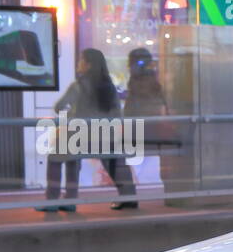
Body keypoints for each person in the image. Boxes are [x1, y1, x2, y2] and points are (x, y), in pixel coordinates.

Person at [39, 48, 120, 213]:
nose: (78, 63)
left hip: (78, 133)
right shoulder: (110, 87)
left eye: (81, 60)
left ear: (88, 64)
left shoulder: (78, 86)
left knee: (55, 159)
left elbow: (58, 106)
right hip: (100, 136)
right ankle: (70, 199)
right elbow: (117, 113)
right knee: (72, 159)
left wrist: (71, 112)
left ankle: (52, 199)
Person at [116, 47, 168, 209]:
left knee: (131, 159)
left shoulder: (144, 80)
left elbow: (144, 99)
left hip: (142, 125)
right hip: (142, 124)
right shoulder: (145, 78)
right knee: (135, 158)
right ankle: (134, 193)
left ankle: (132, 195)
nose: (129, 66)